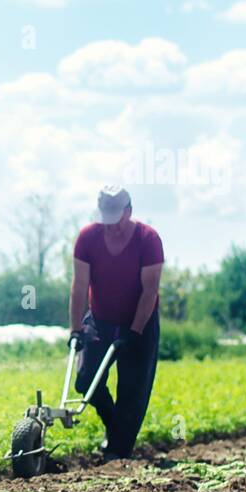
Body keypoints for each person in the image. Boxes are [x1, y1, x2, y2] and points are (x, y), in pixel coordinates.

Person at [68, 186, 164, 461]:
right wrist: (76, 329)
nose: (111, 227)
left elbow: (150, 290)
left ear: (129, 211)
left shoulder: (148, 239)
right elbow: (79, 286)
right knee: (86, 379)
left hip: (140, 322)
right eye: (106, 219)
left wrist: (134, 333)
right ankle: (114, 425)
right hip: (100, 319)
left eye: (117, 219)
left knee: (131, 391)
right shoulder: (87, 238)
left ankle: (117, 454)